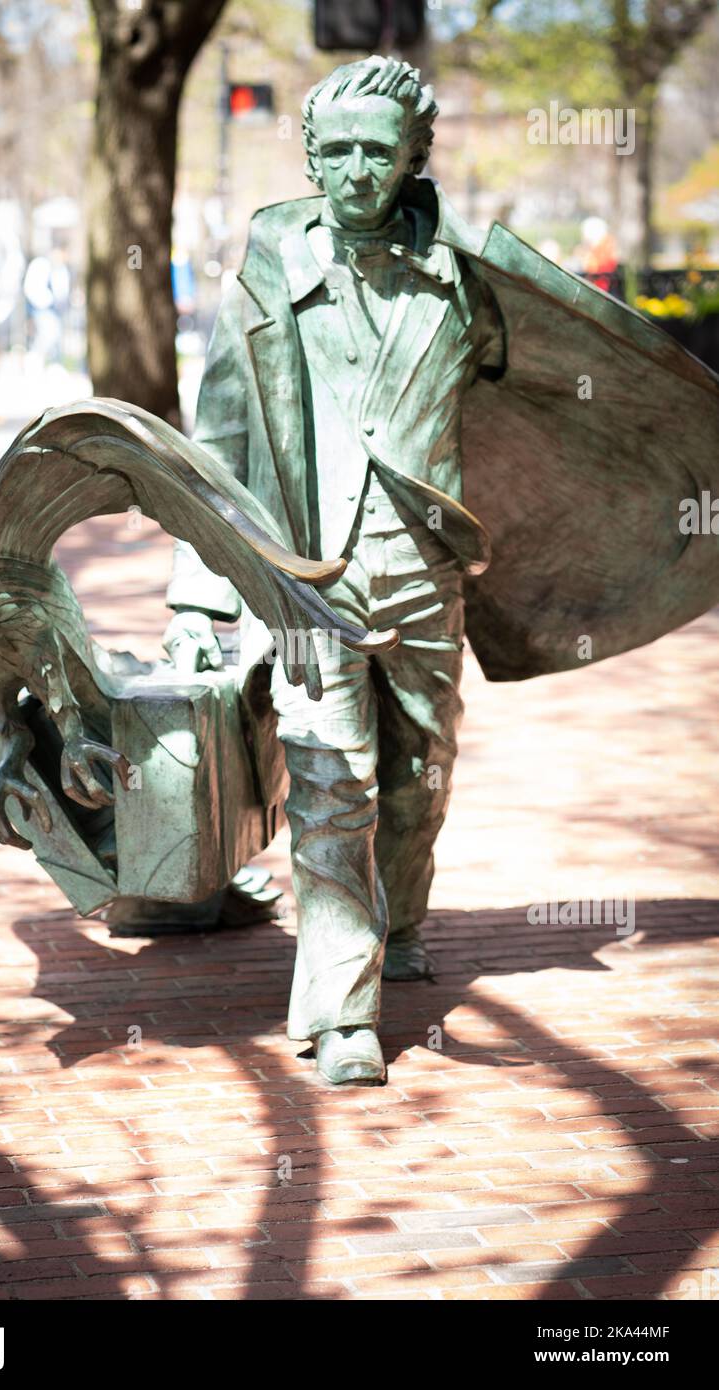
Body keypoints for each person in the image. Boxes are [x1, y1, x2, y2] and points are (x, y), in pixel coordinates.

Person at [161, 57, 506, 1085]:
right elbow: (214, 441)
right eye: (339, 151)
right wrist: (197, 593)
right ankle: (339, 1009)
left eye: (378, 151)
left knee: (414, 779)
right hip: (308, 576)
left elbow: (538, 420)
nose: (358, 171)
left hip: (423, 572)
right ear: (311, 157)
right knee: (329, 785)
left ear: (414, 157)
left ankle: (397, 921)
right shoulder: (268, 277)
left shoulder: (467, 284)